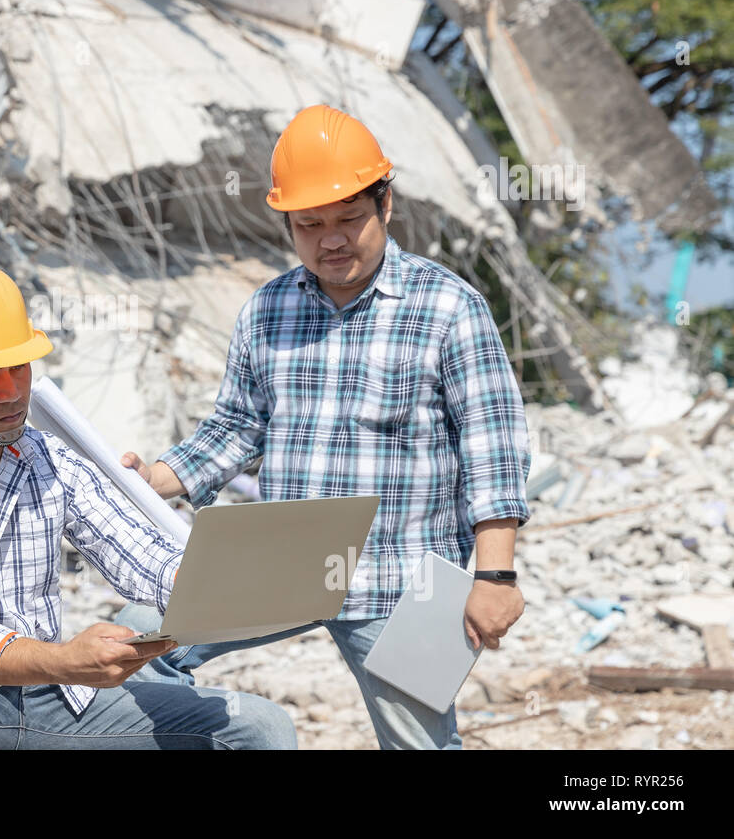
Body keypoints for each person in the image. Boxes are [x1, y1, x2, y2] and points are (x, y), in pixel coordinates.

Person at [121, 104, 530, 749]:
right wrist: (155, 478)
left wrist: (495, 577)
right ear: (286, 222)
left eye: (348, 219)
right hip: (284, 563)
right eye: (309, 225)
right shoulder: (268, 308)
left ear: (385, 204)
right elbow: (233, 429)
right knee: (132, 645)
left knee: (420, 747)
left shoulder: (450, 307)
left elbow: (494, 447)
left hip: (405, 578)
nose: (330, 240)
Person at [0, 259, 297, 749]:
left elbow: (139, 551)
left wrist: (204, 584)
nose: (11, 391)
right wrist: (62, 661)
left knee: (259, 728)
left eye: (18, 366)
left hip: (46, 706)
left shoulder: (50, 459)